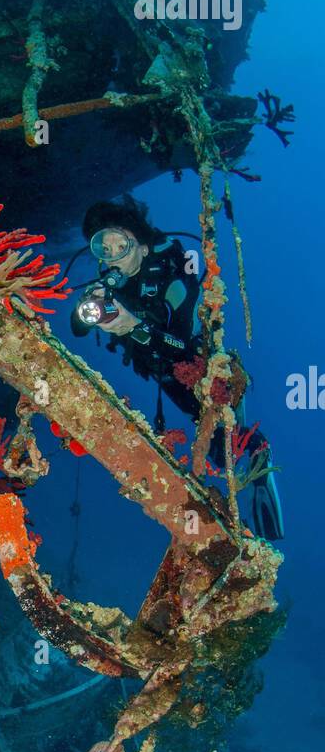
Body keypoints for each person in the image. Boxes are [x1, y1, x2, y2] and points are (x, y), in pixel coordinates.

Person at [70, 196, 284, 541]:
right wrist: (88, 306)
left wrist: (129, 327)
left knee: (224, 442)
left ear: (139, 243)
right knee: (213, 442)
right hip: (159, 373)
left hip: (191, 368)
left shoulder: (174, 275)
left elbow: (178, 346)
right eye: (103, 247)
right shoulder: (109, 280)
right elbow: (79, 327)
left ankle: (261, 464)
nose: (113, 256)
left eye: (120, 245)